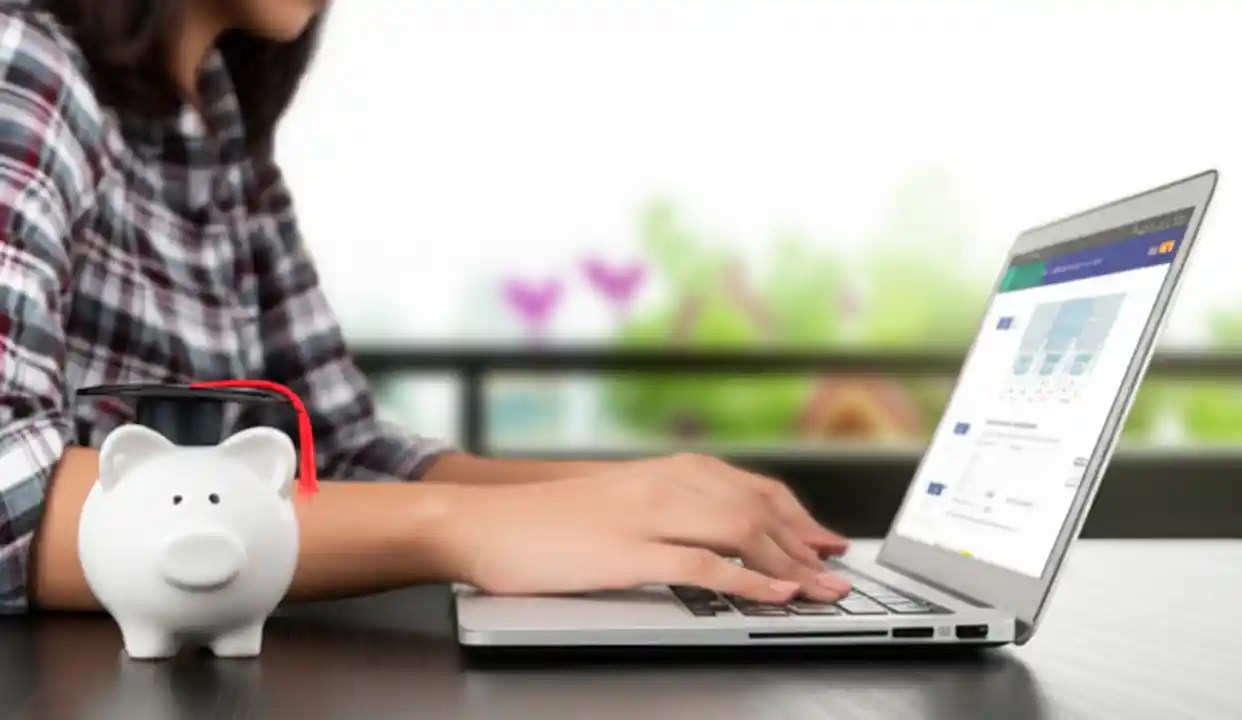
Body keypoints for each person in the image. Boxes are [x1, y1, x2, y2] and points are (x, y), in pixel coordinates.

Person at [0, 0, 852, 615]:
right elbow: (11, 486)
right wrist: (465, 529)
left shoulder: (219, 134)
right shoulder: (23, 63)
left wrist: (631, 496)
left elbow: (338, 450)